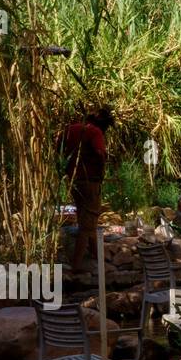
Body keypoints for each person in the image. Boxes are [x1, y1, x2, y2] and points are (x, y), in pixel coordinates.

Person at [60, 107, 113, 272]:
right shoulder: (95, 132)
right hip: (90, 181)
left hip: (74, 180)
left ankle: (97, 257)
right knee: (87, 226)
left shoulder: (70, 129)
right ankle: (76, 266)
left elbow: (59, 149)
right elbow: (99, 153)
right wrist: (102, 162)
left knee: (87, 220)